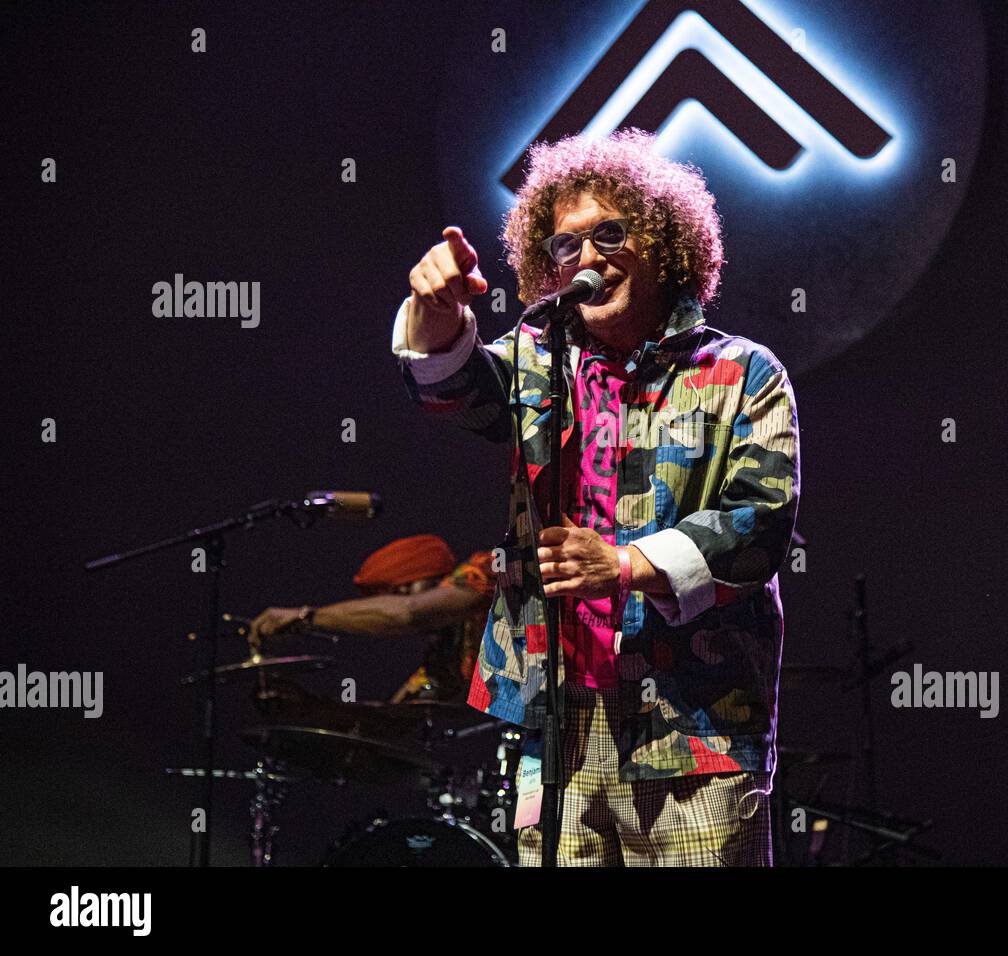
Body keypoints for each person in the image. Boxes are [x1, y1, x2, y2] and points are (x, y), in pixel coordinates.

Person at [392, 128, 800, 866]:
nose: (585, 258)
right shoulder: (539, 360)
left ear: (664, 242)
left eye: (609, 233)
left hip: (695, 730)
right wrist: (438, 307)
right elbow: (452, 388)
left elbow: (759, 524)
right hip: (560, 732)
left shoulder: (743, 372)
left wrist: (625, 565)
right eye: (565, 247)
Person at [249, 535, 496, 704]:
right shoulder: (446, 648)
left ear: (406, 588)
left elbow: (409, 613)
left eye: (392, 596)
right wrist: (310, 709)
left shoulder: (487, 569)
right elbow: (399, 716)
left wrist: (304, 617)